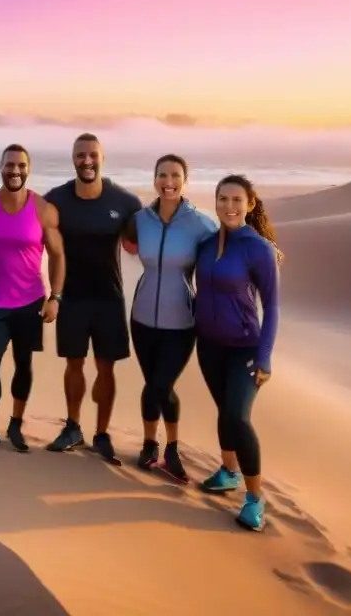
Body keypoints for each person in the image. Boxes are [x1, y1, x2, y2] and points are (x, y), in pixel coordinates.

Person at [43, 134, 142, 462]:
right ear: (73, 159)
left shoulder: (125, 202)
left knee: (105, 368)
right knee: (74, 364)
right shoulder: (56, 199)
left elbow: (144, 241)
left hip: (108, 298)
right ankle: (73, 427)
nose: (86, 161)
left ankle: (101, 434)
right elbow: (31, 235)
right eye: (80, 155)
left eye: (92, 155)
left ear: (102, 158)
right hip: (71, 297)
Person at [121, 154, 218, 481]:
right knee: (152, 385)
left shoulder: (202, 224)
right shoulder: (140, 220)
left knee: (161, 385)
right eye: (162, 175)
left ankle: (172, 449)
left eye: (175, 175)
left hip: (181, 323)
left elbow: (225, 257)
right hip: (141, 318)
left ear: (185, 181)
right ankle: (150, 444)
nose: (168, 182)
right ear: (155, 179)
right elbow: (119, 240)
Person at [0, 144, 65, 456]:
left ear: (28, 168)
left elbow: (58, 255)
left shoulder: (43, 209)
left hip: (30, 303)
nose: (15, 170)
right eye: (9, 165)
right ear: (1, 168)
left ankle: (16, 424)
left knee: (24, 363)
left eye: (21, 165)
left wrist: (55, 297)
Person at [194, 174, 281, 532]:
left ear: (250, 204)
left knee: (237, 416)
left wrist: (265, 357)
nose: (229, 206)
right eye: (222, 199)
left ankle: (255, 498)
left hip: (244, 347)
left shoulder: (258, 249)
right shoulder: (206, 244)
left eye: (236, 200)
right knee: (224, 411)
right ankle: (228, 471)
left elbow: (272, 306)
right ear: (215, 202)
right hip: (208, 346)